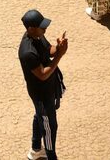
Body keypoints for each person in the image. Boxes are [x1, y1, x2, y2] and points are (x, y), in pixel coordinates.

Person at [18, 9, 67, 160]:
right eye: (42, 26)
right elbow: (43, 74)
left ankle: (36, 149)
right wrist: (60, 55)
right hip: (41, 94)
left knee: (40, 117)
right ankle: (51, 156)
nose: (45, 29)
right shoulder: (28, 52)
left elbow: (49, 49)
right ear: (31, 28)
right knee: (50, 127)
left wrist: (58, 48)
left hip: (48, 89)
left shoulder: (38, 35)